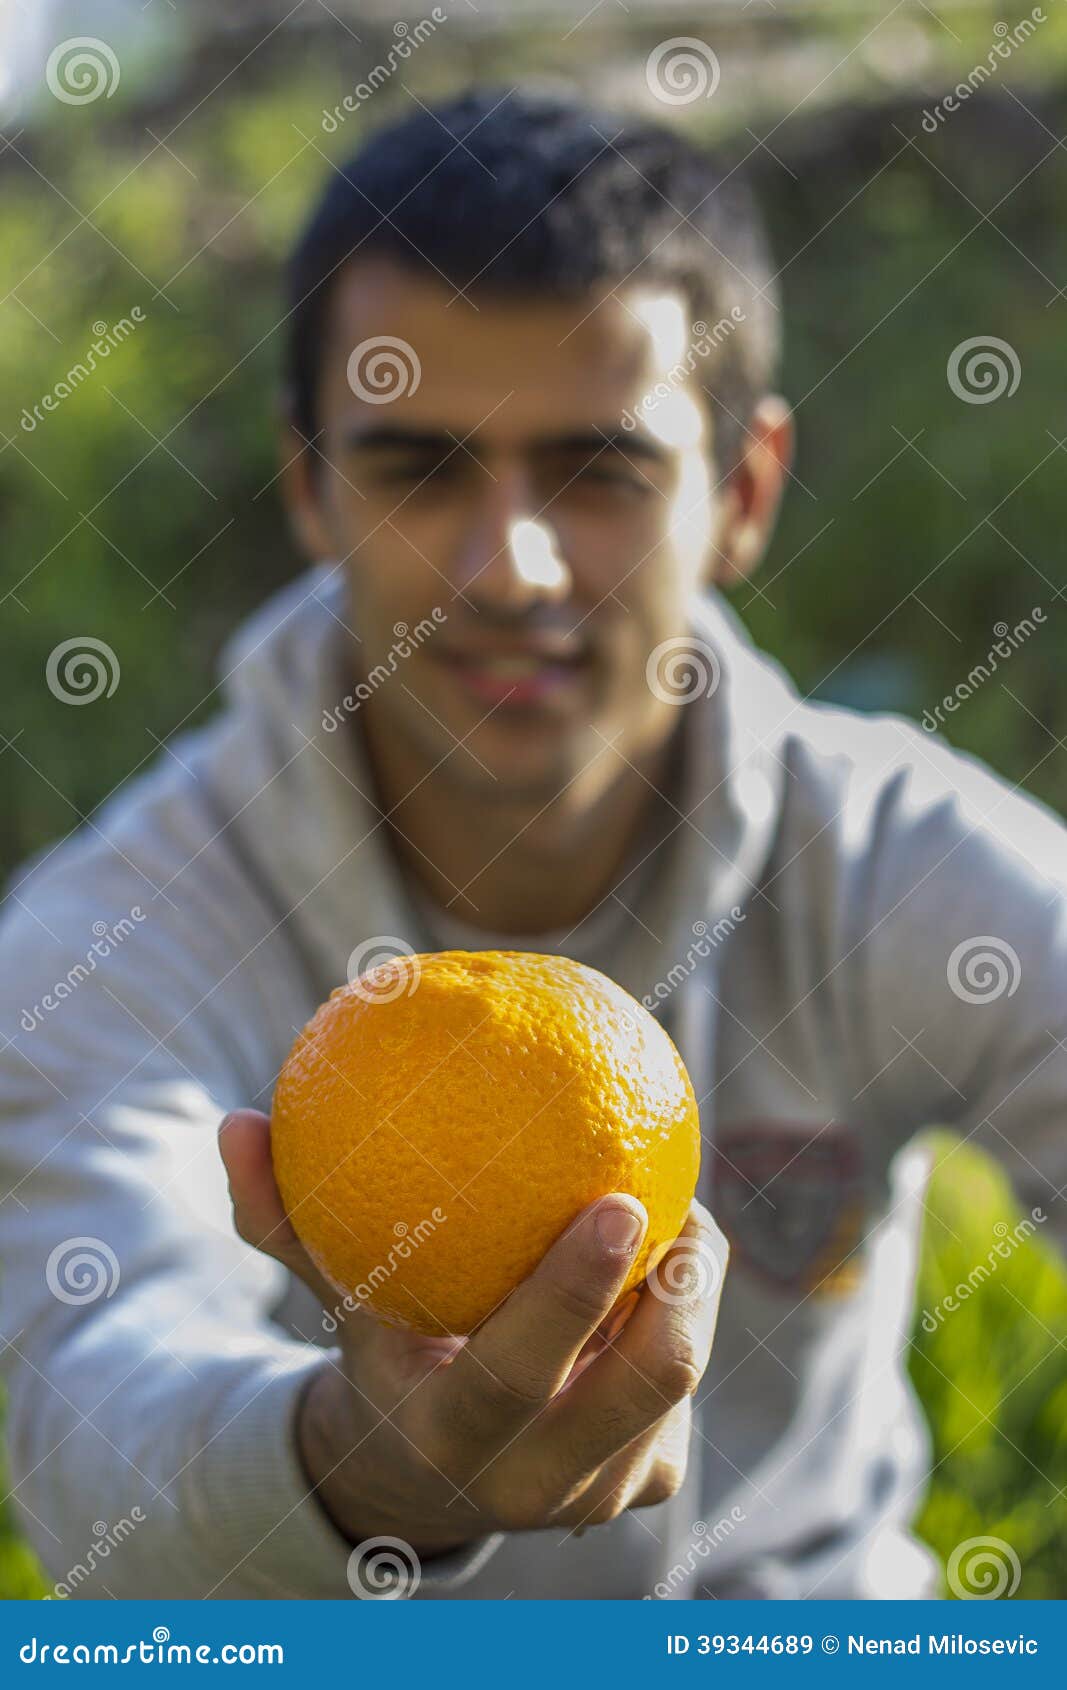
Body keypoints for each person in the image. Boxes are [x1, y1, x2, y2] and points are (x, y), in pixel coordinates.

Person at [1, 84, 1064, 1603]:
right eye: (420, 468)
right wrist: (363, 1466)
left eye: (600, 470)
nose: (514, 565)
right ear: (310, 487)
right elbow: (93, 1420)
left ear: (744, 490)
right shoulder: (115, 931)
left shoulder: (894, 858)